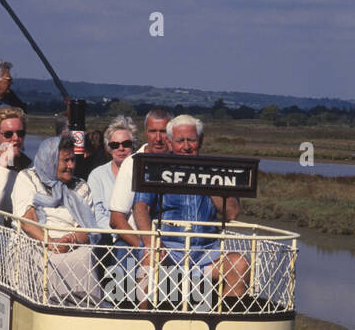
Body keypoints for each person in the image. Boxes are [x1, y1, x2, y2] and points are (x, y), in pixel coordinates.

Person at [132, 114, 249, 306]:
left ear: (200, 141)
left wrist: (208, 180)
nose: (186, 146)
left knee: (239, 263)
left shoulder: (215, 172)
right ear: (170, 143)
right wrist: (151, 241)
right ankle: (144, 322)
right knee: (150, 257)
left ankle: (226, 325)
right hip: (169, 250)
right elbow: (140, 207)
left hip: (207, 254)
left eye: (191, 140)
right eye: (180, 141)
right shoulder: (155, 170)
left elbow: (232, 213)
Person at [11, 135, 97, 303]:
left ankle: (83, 306)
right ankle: (44, 304)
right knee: (44, 259)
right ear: (50, 160)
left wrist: (69, 240)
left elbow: (86, 229)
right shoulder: (28, 178)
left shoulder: (81, 186)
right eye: (65, 161)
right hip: (35, 241)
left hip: (70, 244)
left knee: (85, 256)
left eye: (73, 160)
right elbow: (28, 222)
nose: (71, 165)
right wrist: (51, 243)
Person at [88, 117, 138, 303]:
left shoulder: (142, 173)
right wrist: (120, 234)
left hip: (137, 235)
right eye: (115, 144)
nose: (121, 148)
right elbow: (98, 213)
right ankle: (114, 303)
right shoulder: (98, 175)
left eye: (126, 143)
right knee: (119, 250)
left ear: (133, 145)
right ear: (108, 148)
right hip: (110, 237)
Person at [109, 107, 171, 250]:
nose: (158, 138)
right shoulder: (131, 164)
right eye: (153, 131)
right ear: (145, 133)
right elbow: (116, 220)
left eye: (163, 132)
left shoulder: (179, 164)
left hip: (174, 245)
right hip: (134, 243)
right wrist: (144, 248)